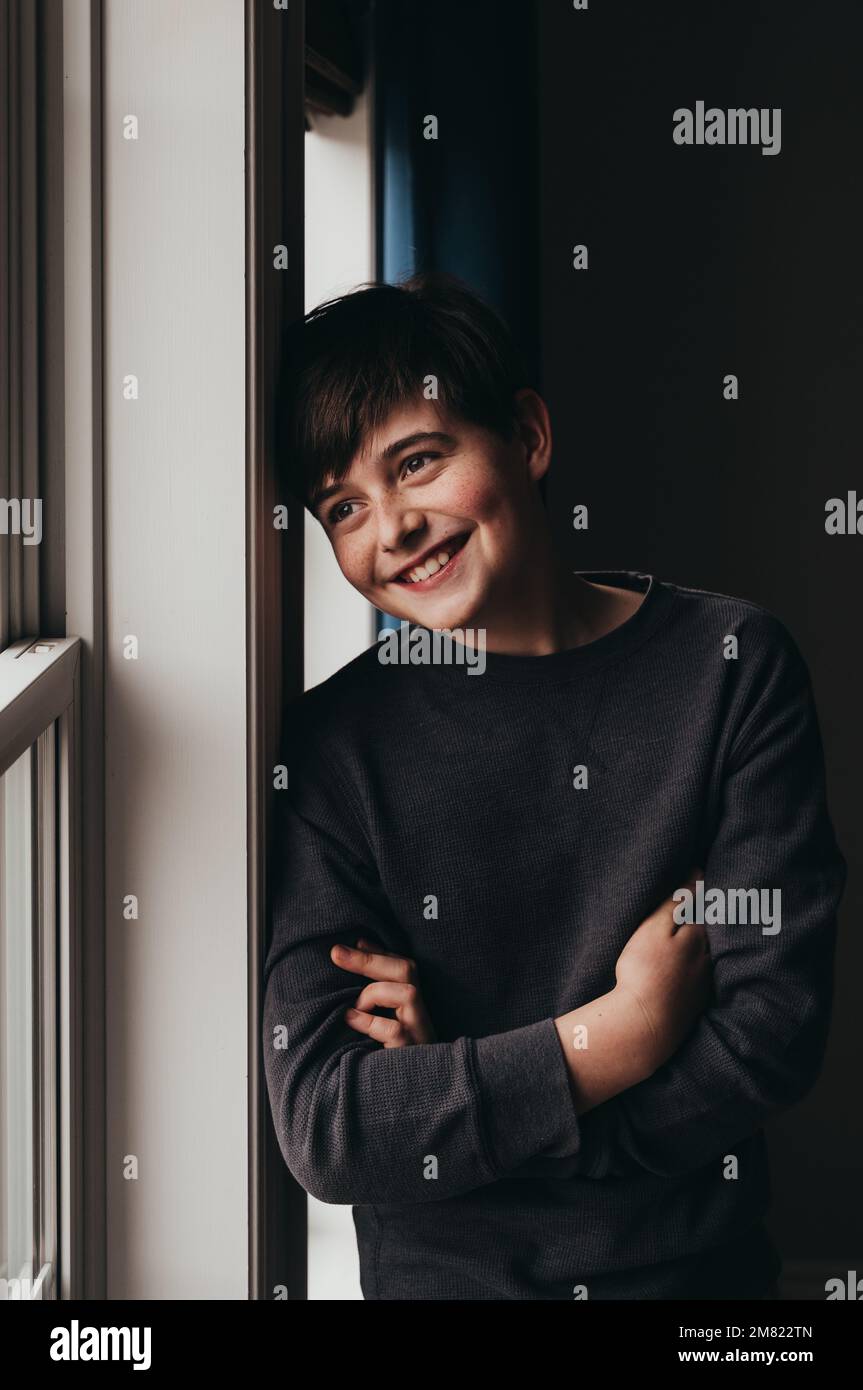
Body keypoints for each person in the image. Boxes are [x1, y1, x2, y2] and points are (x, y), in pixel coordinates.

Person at [262, 272, 846, 1300]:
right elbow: (332, 1124)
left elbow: (768, 1035)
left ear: (527, 438)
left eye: (418, 462)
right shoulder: (328, 745)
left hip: (695, 1290)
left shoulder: (730, 666)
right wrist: (613, 1036)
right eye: (342, 506)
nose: (391, 526)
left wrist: (464, 1102)